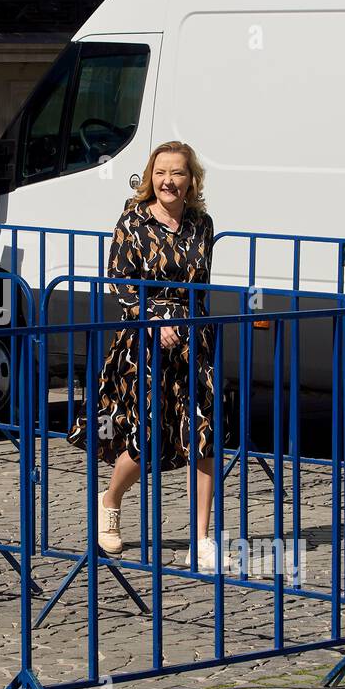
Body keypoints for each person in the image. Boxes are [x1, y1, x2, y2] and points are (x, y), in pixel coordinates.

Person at [67, 141, 228, 572]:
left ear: (191, 179)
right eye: (160, 173)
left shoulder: (202, 224)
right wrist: (158, 319)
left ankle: (202, 538)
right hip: (142, 342)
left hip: (194, 341)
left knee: (205, 434)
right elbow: (119, 283)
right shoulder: (133, 222)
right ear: (150, 177)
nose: (168, 181)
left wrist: (187, 322)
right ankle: (111, 500)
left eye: (177, 173)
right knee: (148, 437)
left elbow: (201, 286)